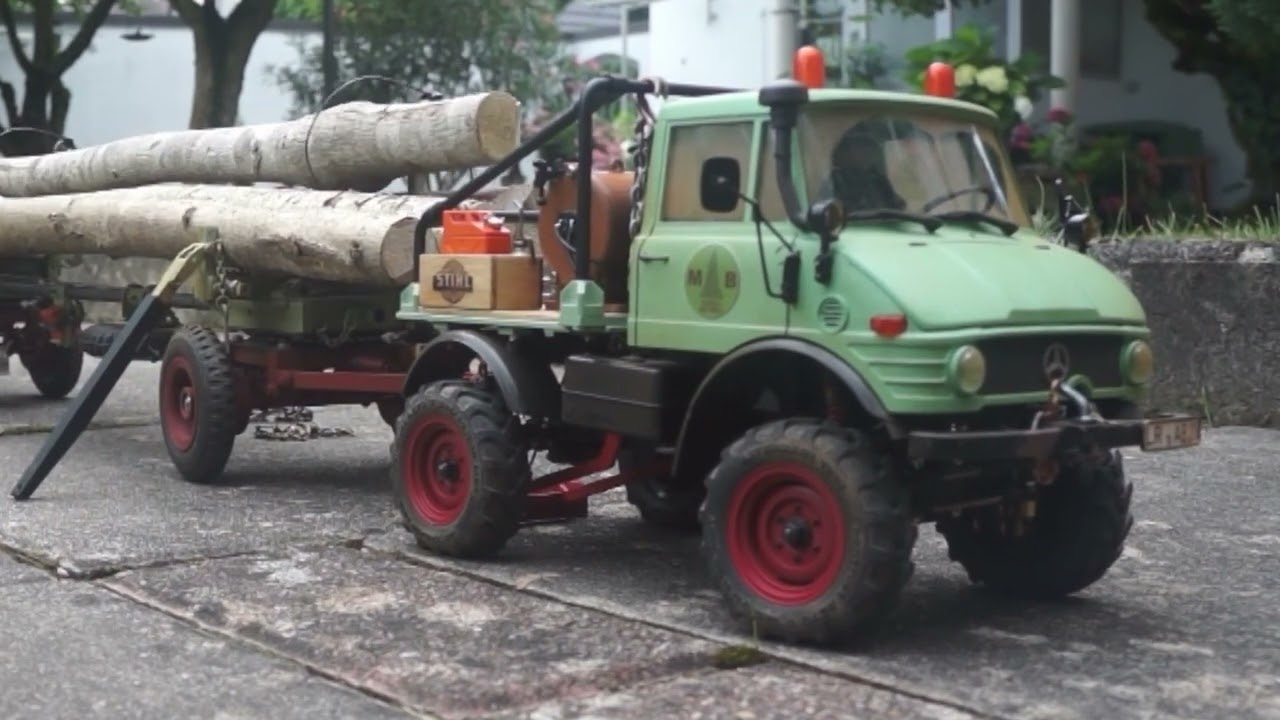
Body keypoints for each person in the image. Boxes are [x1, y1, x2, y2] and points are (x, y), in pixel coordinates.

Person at [823, 131, 906, 212]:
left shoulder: (877, 180)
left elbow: (898, 205)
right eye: (862, 150)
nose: (869, 155)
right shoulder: (833, 182)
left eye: (870, 150)